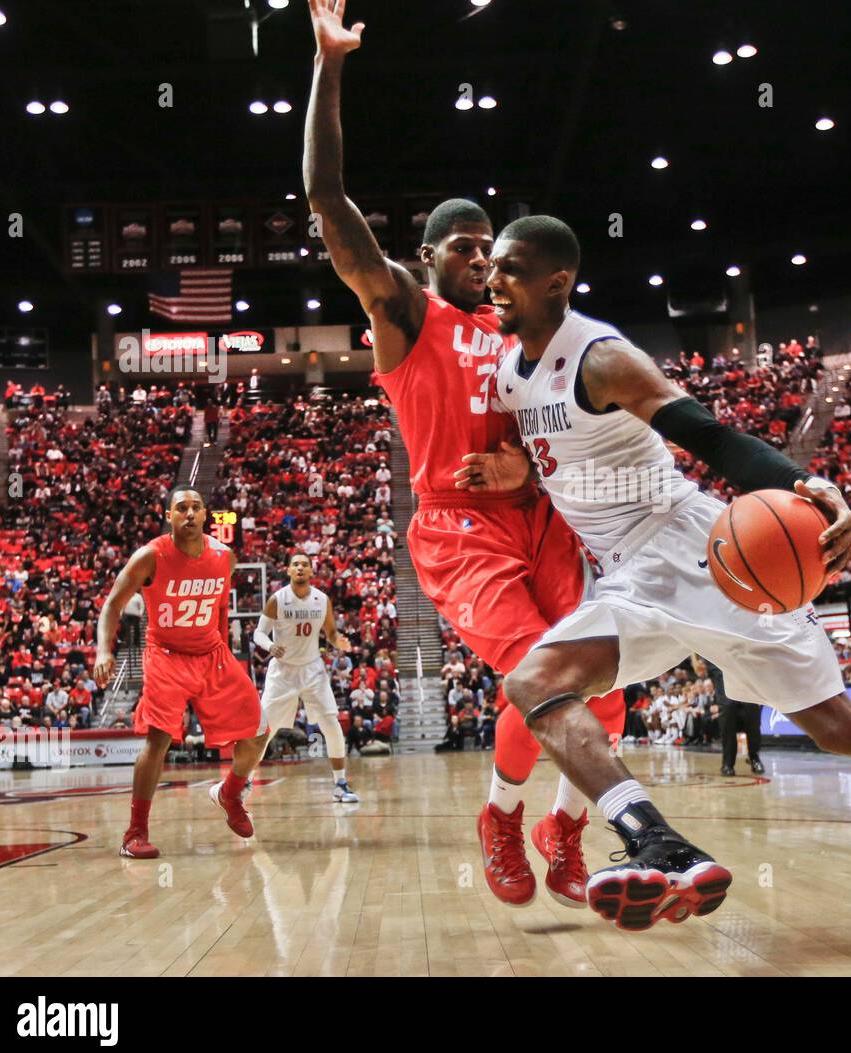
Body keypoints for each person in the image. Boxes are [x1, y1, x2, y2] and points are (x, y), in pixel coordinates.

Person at [462, 214, 851, 931]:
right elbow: (572, 463)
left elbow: (708, 433)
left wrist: (805, 482)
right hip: (633, 578)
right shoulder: (510, 379)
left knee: (839, 727)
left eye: (509, 269)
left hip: (694, 549)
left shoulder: (600, 358)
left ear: (556, 283)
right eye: (492, 268)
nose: (494, 280)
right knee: (536, 684)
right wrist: (524, 474)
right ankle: (653, 841)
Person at [302, 0, 625, 911]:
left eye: (489, 250)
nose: (481, 262)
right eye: (463, 248)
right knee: (545, 685)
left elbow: (572, 415)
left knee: (611, 693)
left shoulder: (521, 325)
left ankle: (564, 833)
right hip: (459, 529)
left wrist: (532, 469)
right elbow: (328, 202)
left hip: (544, 518)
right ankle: (499, 817)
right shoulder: (408, 313)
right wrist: (330, 65)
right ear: (425, 254)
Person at [94, 485, 269, 859]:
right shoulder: (149, 557)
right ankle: (134, 833)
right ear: (169, 516)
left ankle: (230, 793)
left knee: (258, 733)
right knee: (158, 742)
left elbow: (221, 609)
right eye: (181, 508)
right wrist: (103, 651)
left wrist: (222, 649)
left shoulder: (225, 557)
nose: (189, 513)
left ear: (206, 515)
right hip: (166, 655)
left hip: (212, 654)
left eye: (196, 507)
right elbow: (112, 605)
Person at [253, 552, 358, 802]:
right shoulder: (277, 600)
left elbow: (331, 633)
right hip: (283, 671)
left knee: (331, 725)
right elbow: (259, 633)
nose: (300, 567)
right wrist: (269, 646)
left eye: (305, 564)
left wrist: (338, 641)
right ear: (288, 571)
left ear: (311, 572)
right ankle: (243, 782)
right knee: (263, 729)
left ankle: (340, 784)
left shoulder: (322, 600)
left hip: (312, 669)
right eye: (295, 564)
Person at [699, 656, 763, 776]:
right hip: (726, 696)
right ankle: (728, 763)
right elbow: (700, 668)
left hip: (746, 691)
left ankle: (754, 758)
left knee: (753, 717)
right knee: (727, 724)